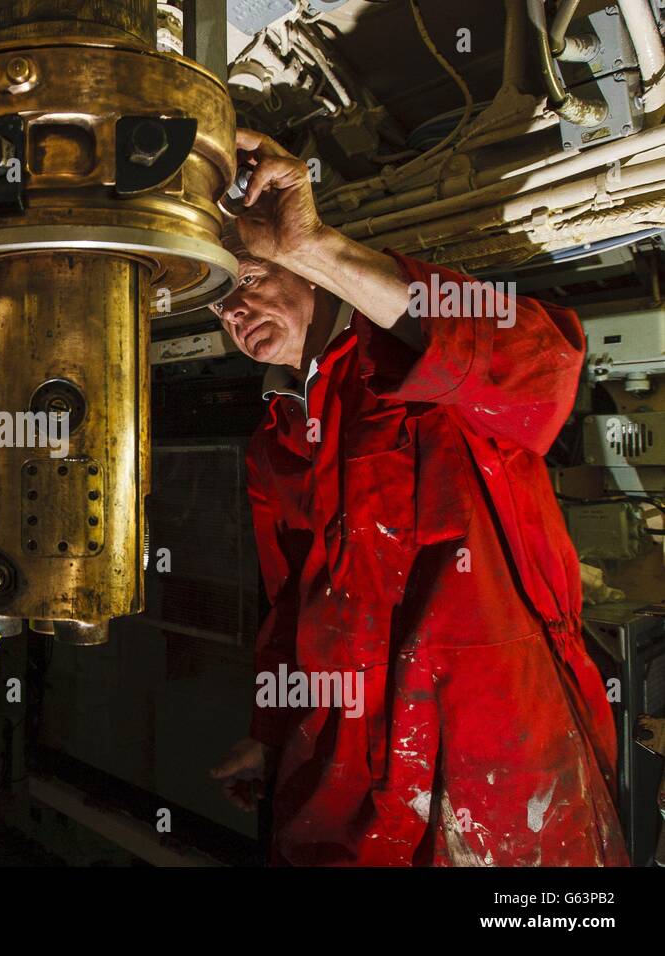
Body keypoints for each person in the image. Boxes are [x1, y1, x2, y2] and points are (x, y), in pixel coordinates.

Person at [208, 129, 627, 866]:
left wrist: (315, 246)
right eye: (217, 305)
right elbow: (287, 614)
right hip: (348, 780)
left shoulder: (421, 364)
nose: (232, 314)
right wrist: (270, 735)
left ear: (307, 275)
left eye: (245, 281)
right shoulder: (275, 442)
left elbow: (547, 368)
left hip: (501, 760)